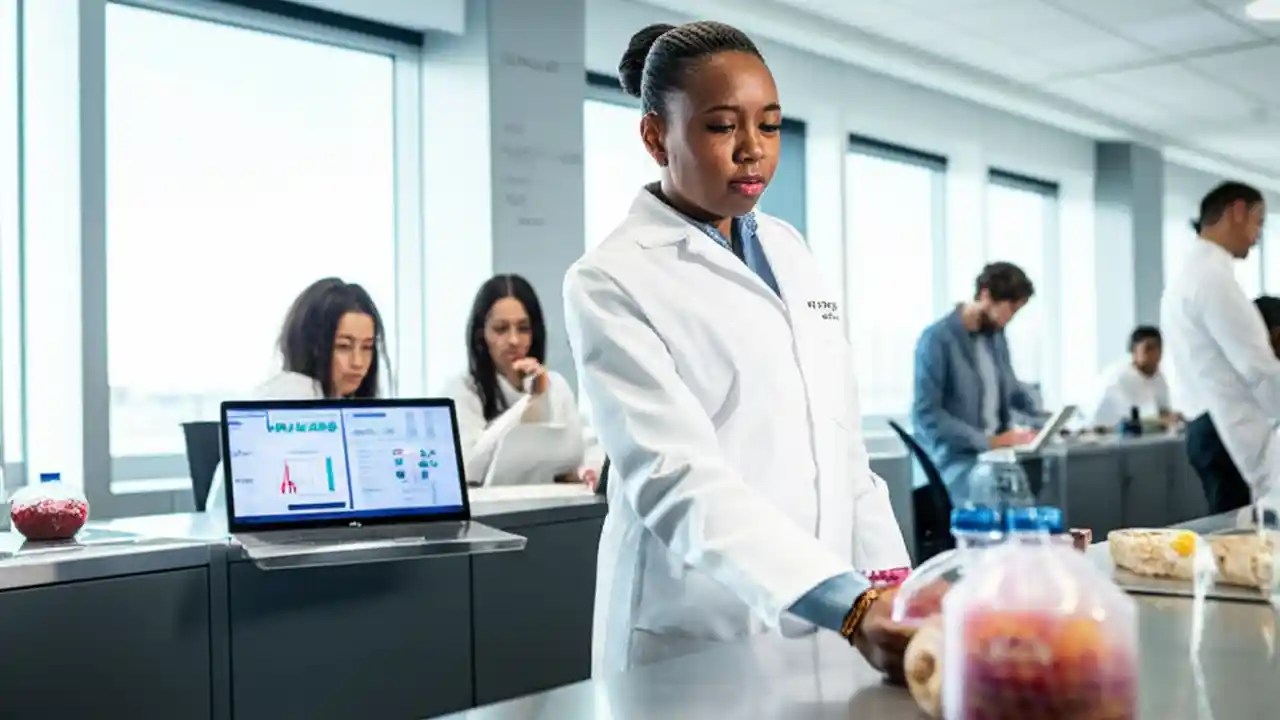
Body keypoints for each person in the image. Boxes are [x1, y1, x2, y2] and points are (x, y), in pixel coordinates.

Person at [563, 21, 910, 680]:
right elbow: (677, 480)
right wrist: (850, 601)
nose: (753, 150)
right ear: (655, 136)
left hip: (831, 617)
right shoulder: (611, 279)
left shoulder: (791, 251)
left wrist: (896, 590)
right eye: (722, 127)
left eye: (771, 126)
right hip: (696, 626)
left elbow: (844, 452)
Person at [205, 278, 388, 510]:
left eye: (367, 347)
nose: (358, 362)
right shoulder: (291, 398)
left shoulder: (337, 404)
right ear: (312, 345)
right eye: (343, 346)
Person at [1163, 181, 1274, 515]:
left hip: (1206, 422)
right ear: (1237, 212)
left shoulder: (1191, 272)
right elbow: (1256, 365)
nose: (1257, 235)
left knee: (1234, 530)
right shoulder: (1212, 277)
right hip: (1224, 425)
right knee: (1239, 539)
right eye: (1258, 222)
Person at [442, 274, 600, 487]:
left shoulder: (556, 385)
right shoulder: (462, 389)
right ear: (481, 335)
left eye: (523, 329)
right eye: (500, 329)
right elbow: (470, 467)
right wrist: (530, 400)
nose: (514, 340)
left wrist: (587, 470)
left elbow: (583, 448)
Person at [911, 262, 1040, 499]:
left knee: (1031, 510)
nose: (1010, 319)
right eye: (1010, 308)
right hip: (958, 460)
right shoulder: (937, 340)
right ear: (985, 295)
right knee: (999, 502)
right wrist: (988, 441)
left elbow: (1012, 392)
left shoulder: (996, 339)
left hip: (998, 456)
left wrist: (1043, 421)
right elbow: (927, 414)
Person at [1087, 326, 1175, 429]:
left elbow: (1163, 410)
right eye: (1148, 348)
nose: (1154, 353)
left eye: (1158, 348)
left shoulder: (1159, 377)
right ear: (1134, 351)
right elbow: (1129, 417)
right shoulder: (1118, 378)